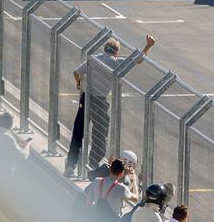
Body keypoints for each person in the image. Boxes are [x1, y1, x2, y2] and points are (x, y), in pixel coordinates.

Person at [65, 34, 154, 178]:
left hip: (86, 97)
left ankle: (70, 166)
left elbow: (76, 72)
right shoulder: (116, 63)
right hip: (100, 101)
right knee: (100, 137)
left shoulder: (93, 59)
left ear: (105, 49)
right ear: (116, 52)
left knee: (78, 133)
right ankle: (92, 167)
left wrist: (79, 83)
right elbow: (138, 60)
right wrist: (148, 46)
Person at [87, 158, 135, 222]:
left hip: (96, 219)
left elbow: (88, 203)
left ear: (110, 168)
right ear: (121, 173)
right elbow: (135, 198)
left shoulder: (97, 180)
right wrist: (133, 179)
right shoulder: (122, 188)